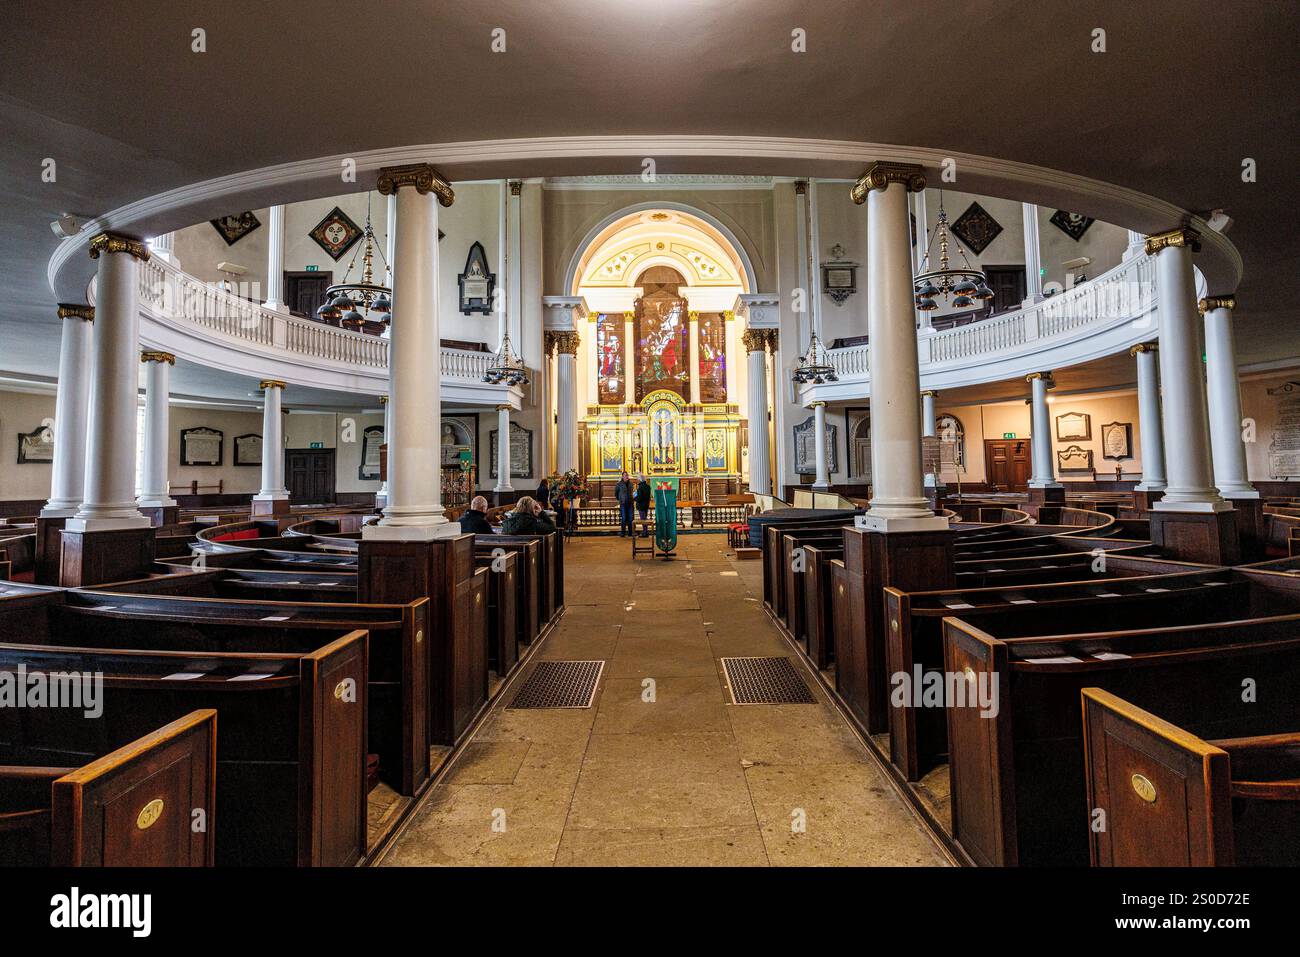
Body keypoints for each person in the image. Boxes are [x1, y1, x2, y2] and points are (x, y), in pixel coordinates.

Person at [614, 470, 635, 537]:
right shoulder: (619, 484)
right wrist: (620, 499)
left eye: (627, 475)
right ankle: (623, 532)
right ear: (622, 476)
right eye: (625, 475)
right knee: (623, 518)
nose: (626, 477)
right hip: (623, 503)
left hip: (630, 503)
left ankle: (630, 532)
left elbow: (633, 492)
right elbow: (616, 494)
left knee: (631, 518)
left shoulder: (631, 484)